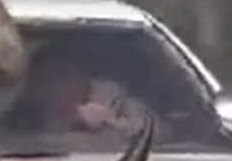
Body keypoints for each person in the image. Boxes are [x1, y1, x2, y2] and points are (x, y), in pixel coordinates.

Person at [8, 48, 154, 137]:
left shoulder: (120, 104)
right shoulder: (25, 122)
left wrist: (108, 121)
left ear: (76, 75)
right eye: (43, 79)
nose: (51, 86)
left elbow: (157, 134)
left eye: (59, 75)